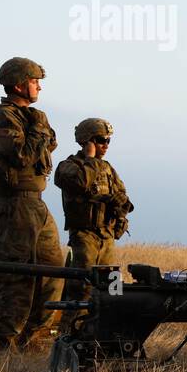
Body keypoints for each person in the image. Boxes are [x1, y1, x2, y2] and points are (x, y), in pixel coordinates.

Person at [0, 57, 66, 351]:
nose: (38, 86)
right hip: (14, 205)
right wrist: (38, 129)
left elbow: (50, 143)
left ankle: (33, 335)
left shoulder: (29, 117)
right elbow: (21, 157)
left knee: (55, 270)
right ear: (18, 84)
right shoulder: (3, 117)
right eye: (34, 81)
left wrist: (38, 129)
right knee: (16, 275)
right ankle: (6, 341)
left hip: (36, 204)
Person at [54, 118, 133, 299]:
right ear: (86, 140)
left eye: (108, 140)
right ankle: (71, 325)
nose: (106, 145)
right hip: (84, 236)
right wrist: (90, 159)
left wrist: (120, 214)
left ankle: (109, 324)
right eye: (100, 140)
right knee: (81, 289)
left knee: (112, 289)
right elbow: (82, 182)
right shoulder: (69, 166)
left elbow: (122, 195)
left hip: (106, 236)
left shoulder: (108, 169)